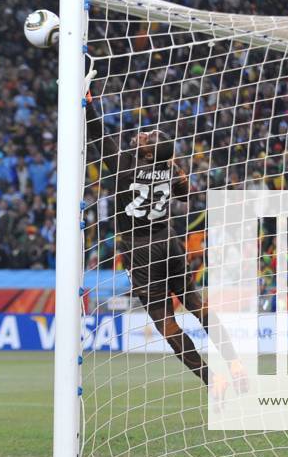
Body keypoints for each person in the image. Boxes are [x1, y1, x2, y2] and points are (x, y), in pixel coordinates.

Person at [84, 71, 244, 398]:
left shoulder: (123, 165)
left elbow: (98, 135)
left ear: (147, 153)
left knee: (166, 323)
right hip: (169, 243)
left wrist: (87, 105)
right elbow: (186, 195)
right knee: (196, 305)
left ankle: (212, 380)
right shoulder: (168, 169)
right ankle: (235, 363)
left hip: (141, 251)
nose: (142, 134)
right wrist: (172, 168)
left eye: (148, 137)